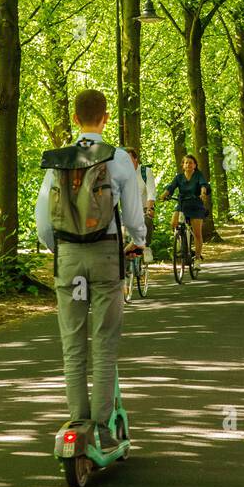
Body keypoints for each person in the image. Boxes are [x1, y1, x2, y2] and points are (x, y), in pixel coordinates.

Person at [35, 88, 146, 453]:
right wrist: (138, 241)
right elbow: (132, 215)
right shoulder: (117, 159)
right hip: (104, 257)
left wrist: (62, 250)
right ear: (106, 117)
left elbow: (42, 222)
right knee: (104, 343)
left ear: (74, 118)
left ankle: (77, 420)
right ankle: (101, 426)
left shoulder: (59, 161)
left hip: (69, 259)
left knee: (73, 344)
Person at [162, 153, 210, 261]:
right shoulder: (179, 177)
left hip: (196, 205)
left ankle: (197, 258)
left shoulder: (198, 175)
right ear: (183, 165)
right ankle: (181, 246)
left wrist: (203, 192)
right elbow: (171, 187)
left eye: (191, 163)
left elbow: (203, 184)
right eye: (186, 162)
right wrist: (163, 195)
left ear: (195, 165)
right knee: (173, 224)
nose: (188, 164)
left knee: (197, 233)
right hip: (182, 204)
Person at [125, 146, 155, 261]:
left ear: (136, 159)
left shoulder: (145, 172)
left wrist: (148, 209)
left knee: (147, 221)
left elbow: (151, 193)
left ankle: (146, 249)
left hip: (144, 207)